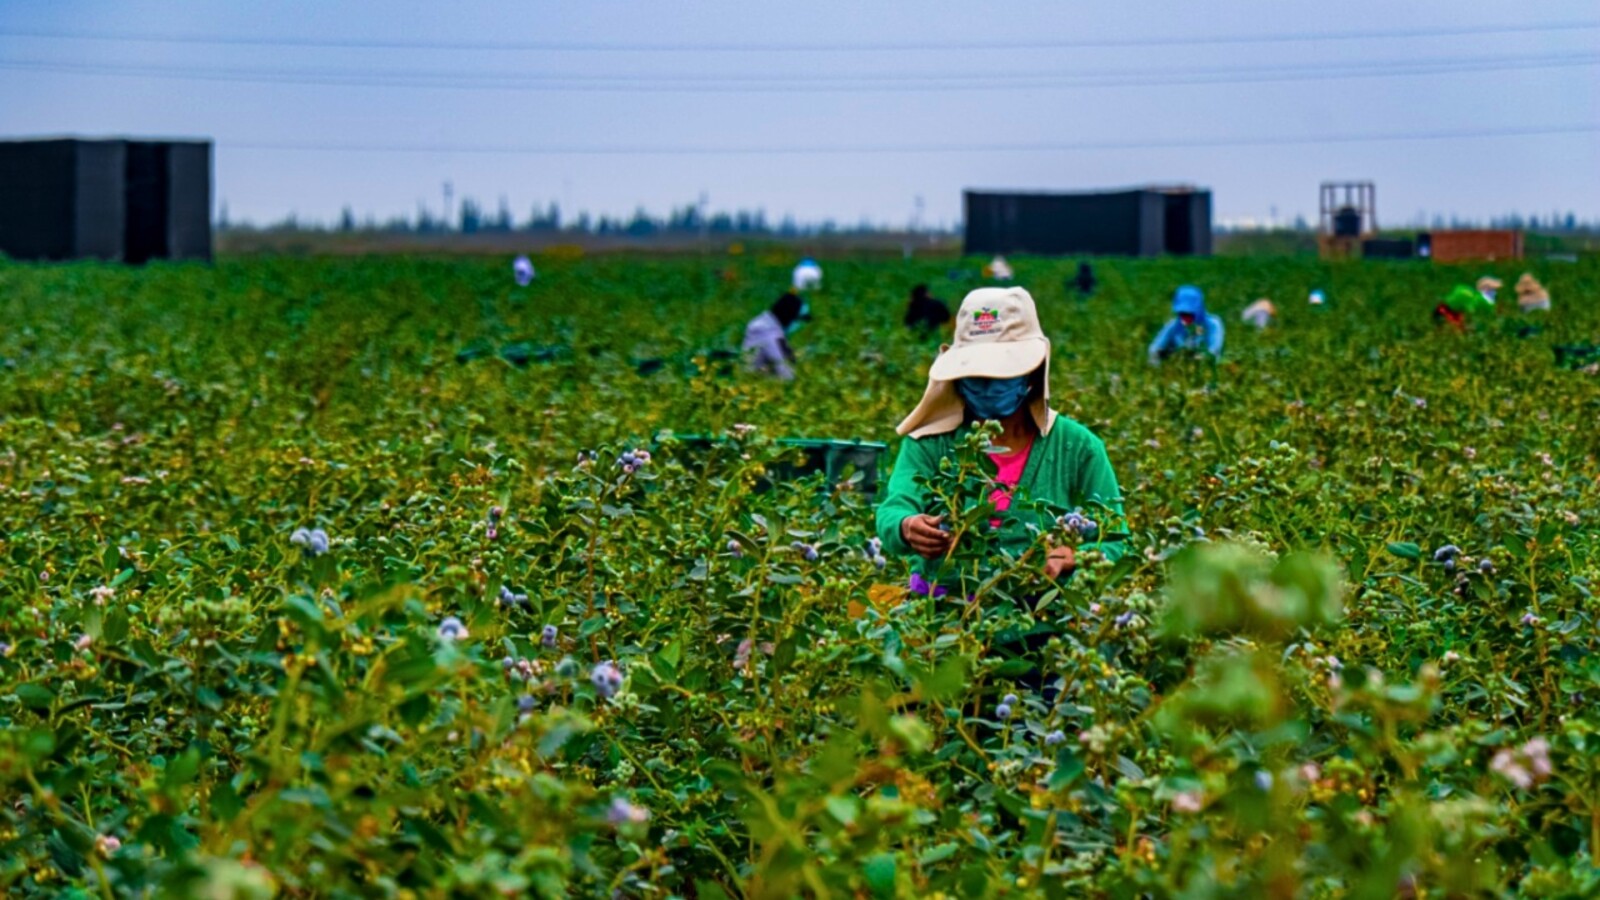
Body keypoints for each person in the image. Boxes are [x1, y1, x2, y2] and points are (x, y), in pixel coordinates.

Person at [875, 287, 1125, 597]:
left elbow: (1117, 542)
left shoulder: (1077, 447)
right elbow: (893, 509)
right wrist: (906, 526)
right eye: (976, 374)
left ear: (1032, 372)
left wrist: (1077, 556)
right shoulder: (930, 443)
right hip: (939, 614)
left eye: (1000, 374)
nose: (987, 384)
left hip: (1040, 618)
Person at [1148, 285, 1224, 364]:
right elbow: (1154, 348)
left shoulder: (1213, 324)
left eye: (1189, 313)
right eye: (1182, 313)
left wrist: (1194, 357)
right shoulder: (1173, 326)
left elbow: (1214, 351)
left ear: (1199, 310)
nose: (1185, 317)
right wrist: (1163, 355)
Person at [742, 291, 809, 380]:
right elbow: (784, 371)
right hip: (753, 381)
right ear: (789, 316)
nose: (800, 325)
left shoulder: (767, 322)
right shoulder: (768, 331)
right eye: (799, 319)